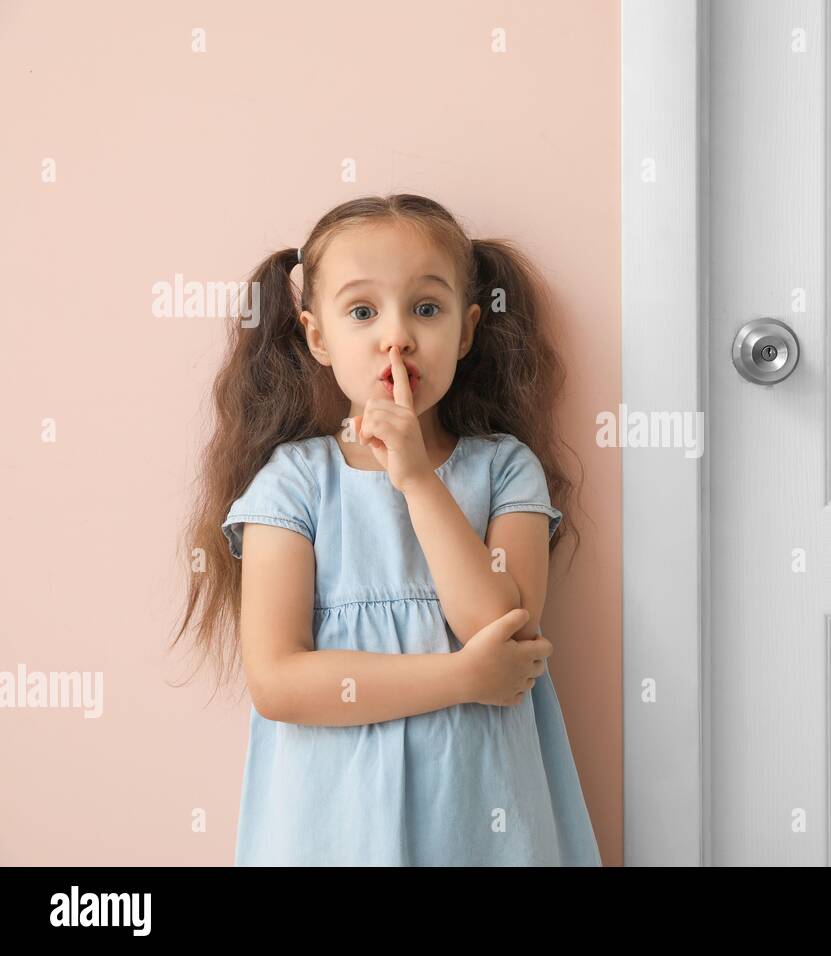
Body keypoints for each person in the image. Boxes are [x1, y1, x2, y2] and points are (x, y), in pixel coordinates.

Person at [170, 193, 600, 866]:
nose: (395, 336)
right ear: (317, 337)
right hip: (336, 821)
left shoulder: (504, 470)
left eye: (426, 309)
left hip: (475, 816)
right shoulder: (294, 484)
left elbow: (500, 623)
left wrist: (417, 481)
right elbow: (279, 681)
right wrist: (462, 678)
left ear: (465, 331)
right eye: (363, 312)